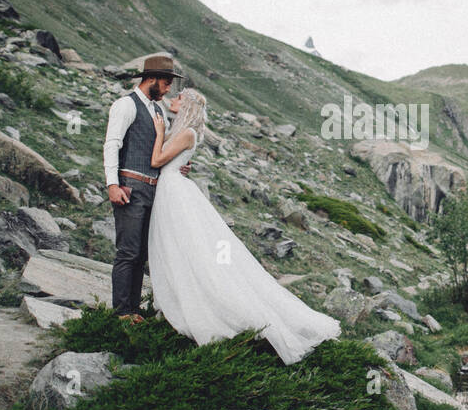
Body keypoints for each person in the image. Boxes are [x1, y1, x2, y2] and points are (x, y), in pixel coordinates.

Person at [145, 88, 341, 365]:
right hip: (172, 188)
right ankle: (177, 301)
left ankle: (207, 307)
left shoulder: (187, 133)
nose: (172, 99)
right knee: (174, 248)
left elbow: (156, 160)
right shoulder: (185, 132)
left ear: (186, 105)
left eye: (178, 98)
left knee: (187, 249)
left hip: (174, 192)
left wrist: (157, 132)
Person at [102, 53, 188, 321]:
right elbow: (112, 144)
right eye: (165, 83)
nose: (167, 89)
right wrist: (113, 184)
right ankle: (122, 312)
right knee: (128, 251)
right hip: (130, 187)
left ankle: (133, 309)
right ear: (151, 79)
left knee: (140, 254)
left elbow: (158, 151)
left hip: (153, 189)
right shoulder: (125, 106)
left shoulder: (158, 109)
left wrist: (176, 165)